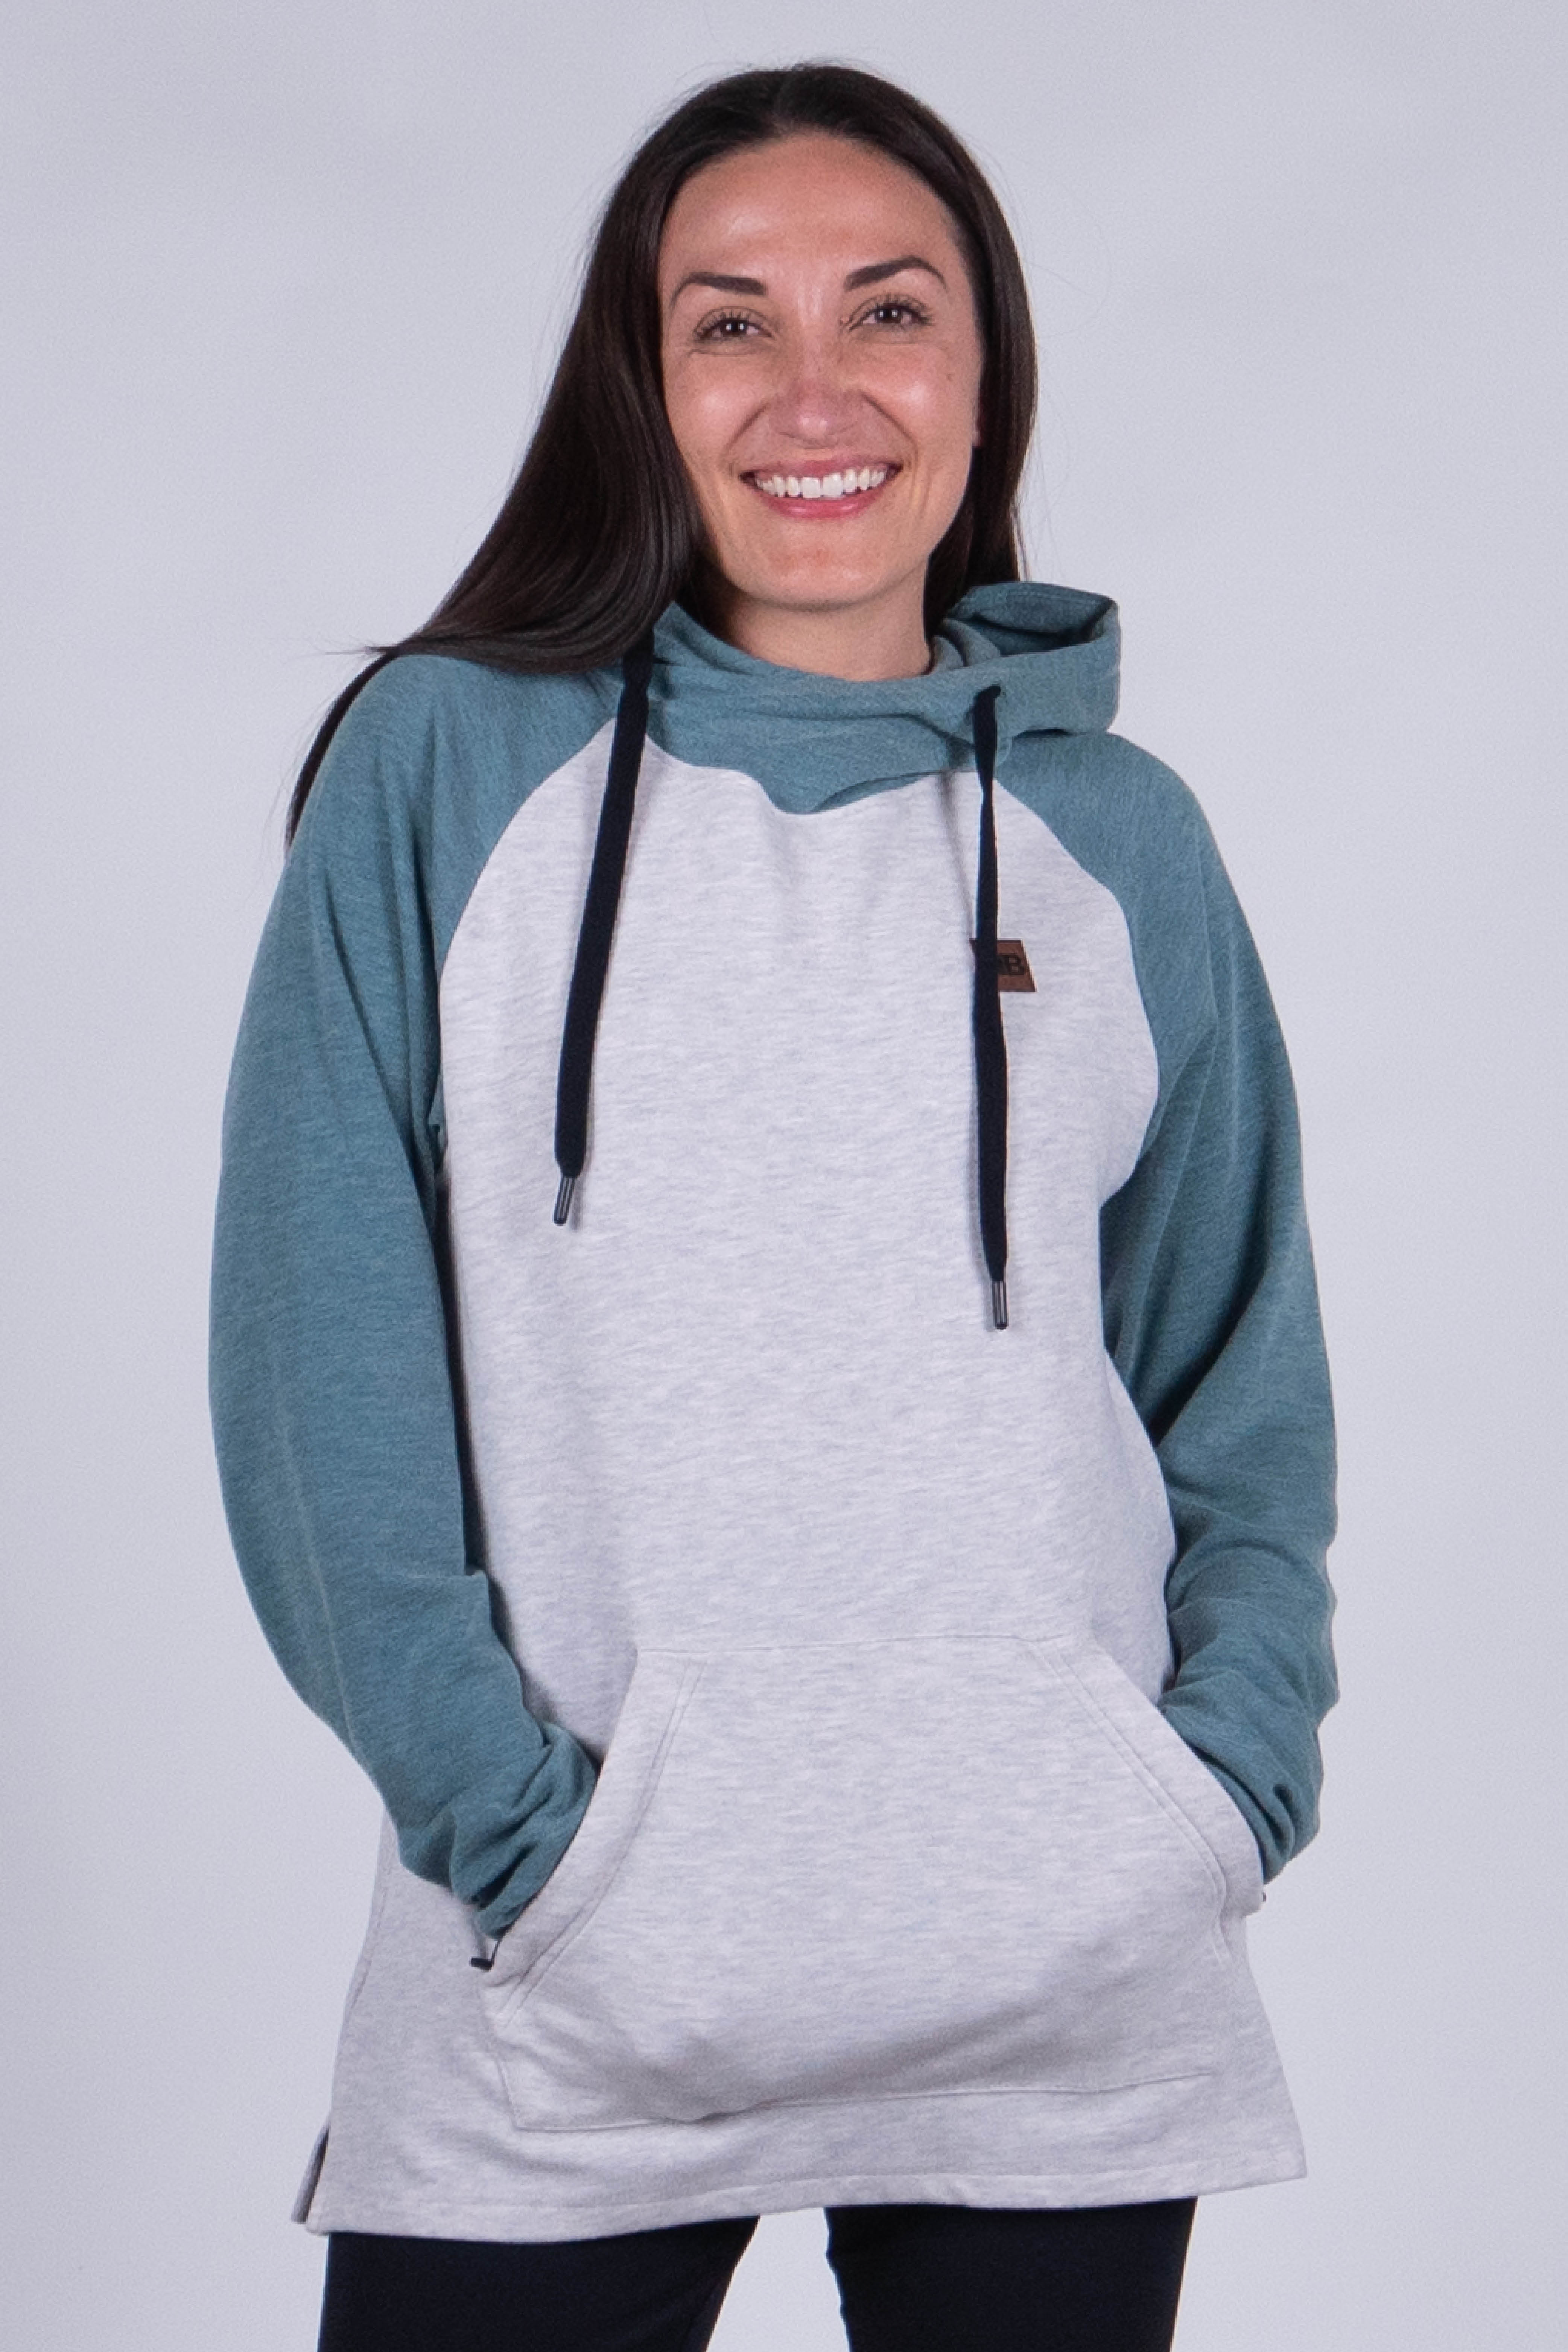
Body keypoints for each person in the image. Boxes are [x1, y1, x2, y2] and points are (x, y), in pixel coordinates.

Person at [210, 60, 1337, 2352]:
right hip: (566, 1992)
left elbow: (1234, 1367)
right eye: (729, 324)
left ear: (984, 372)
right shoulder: (449, 766)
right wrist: (521, 1842)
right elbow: (317, 1355)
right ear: (639, 385)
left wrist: (1220, 1787)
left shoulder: (1122, 832)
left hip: (1063, 1992)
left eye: (887, 312)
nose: (813, 395)